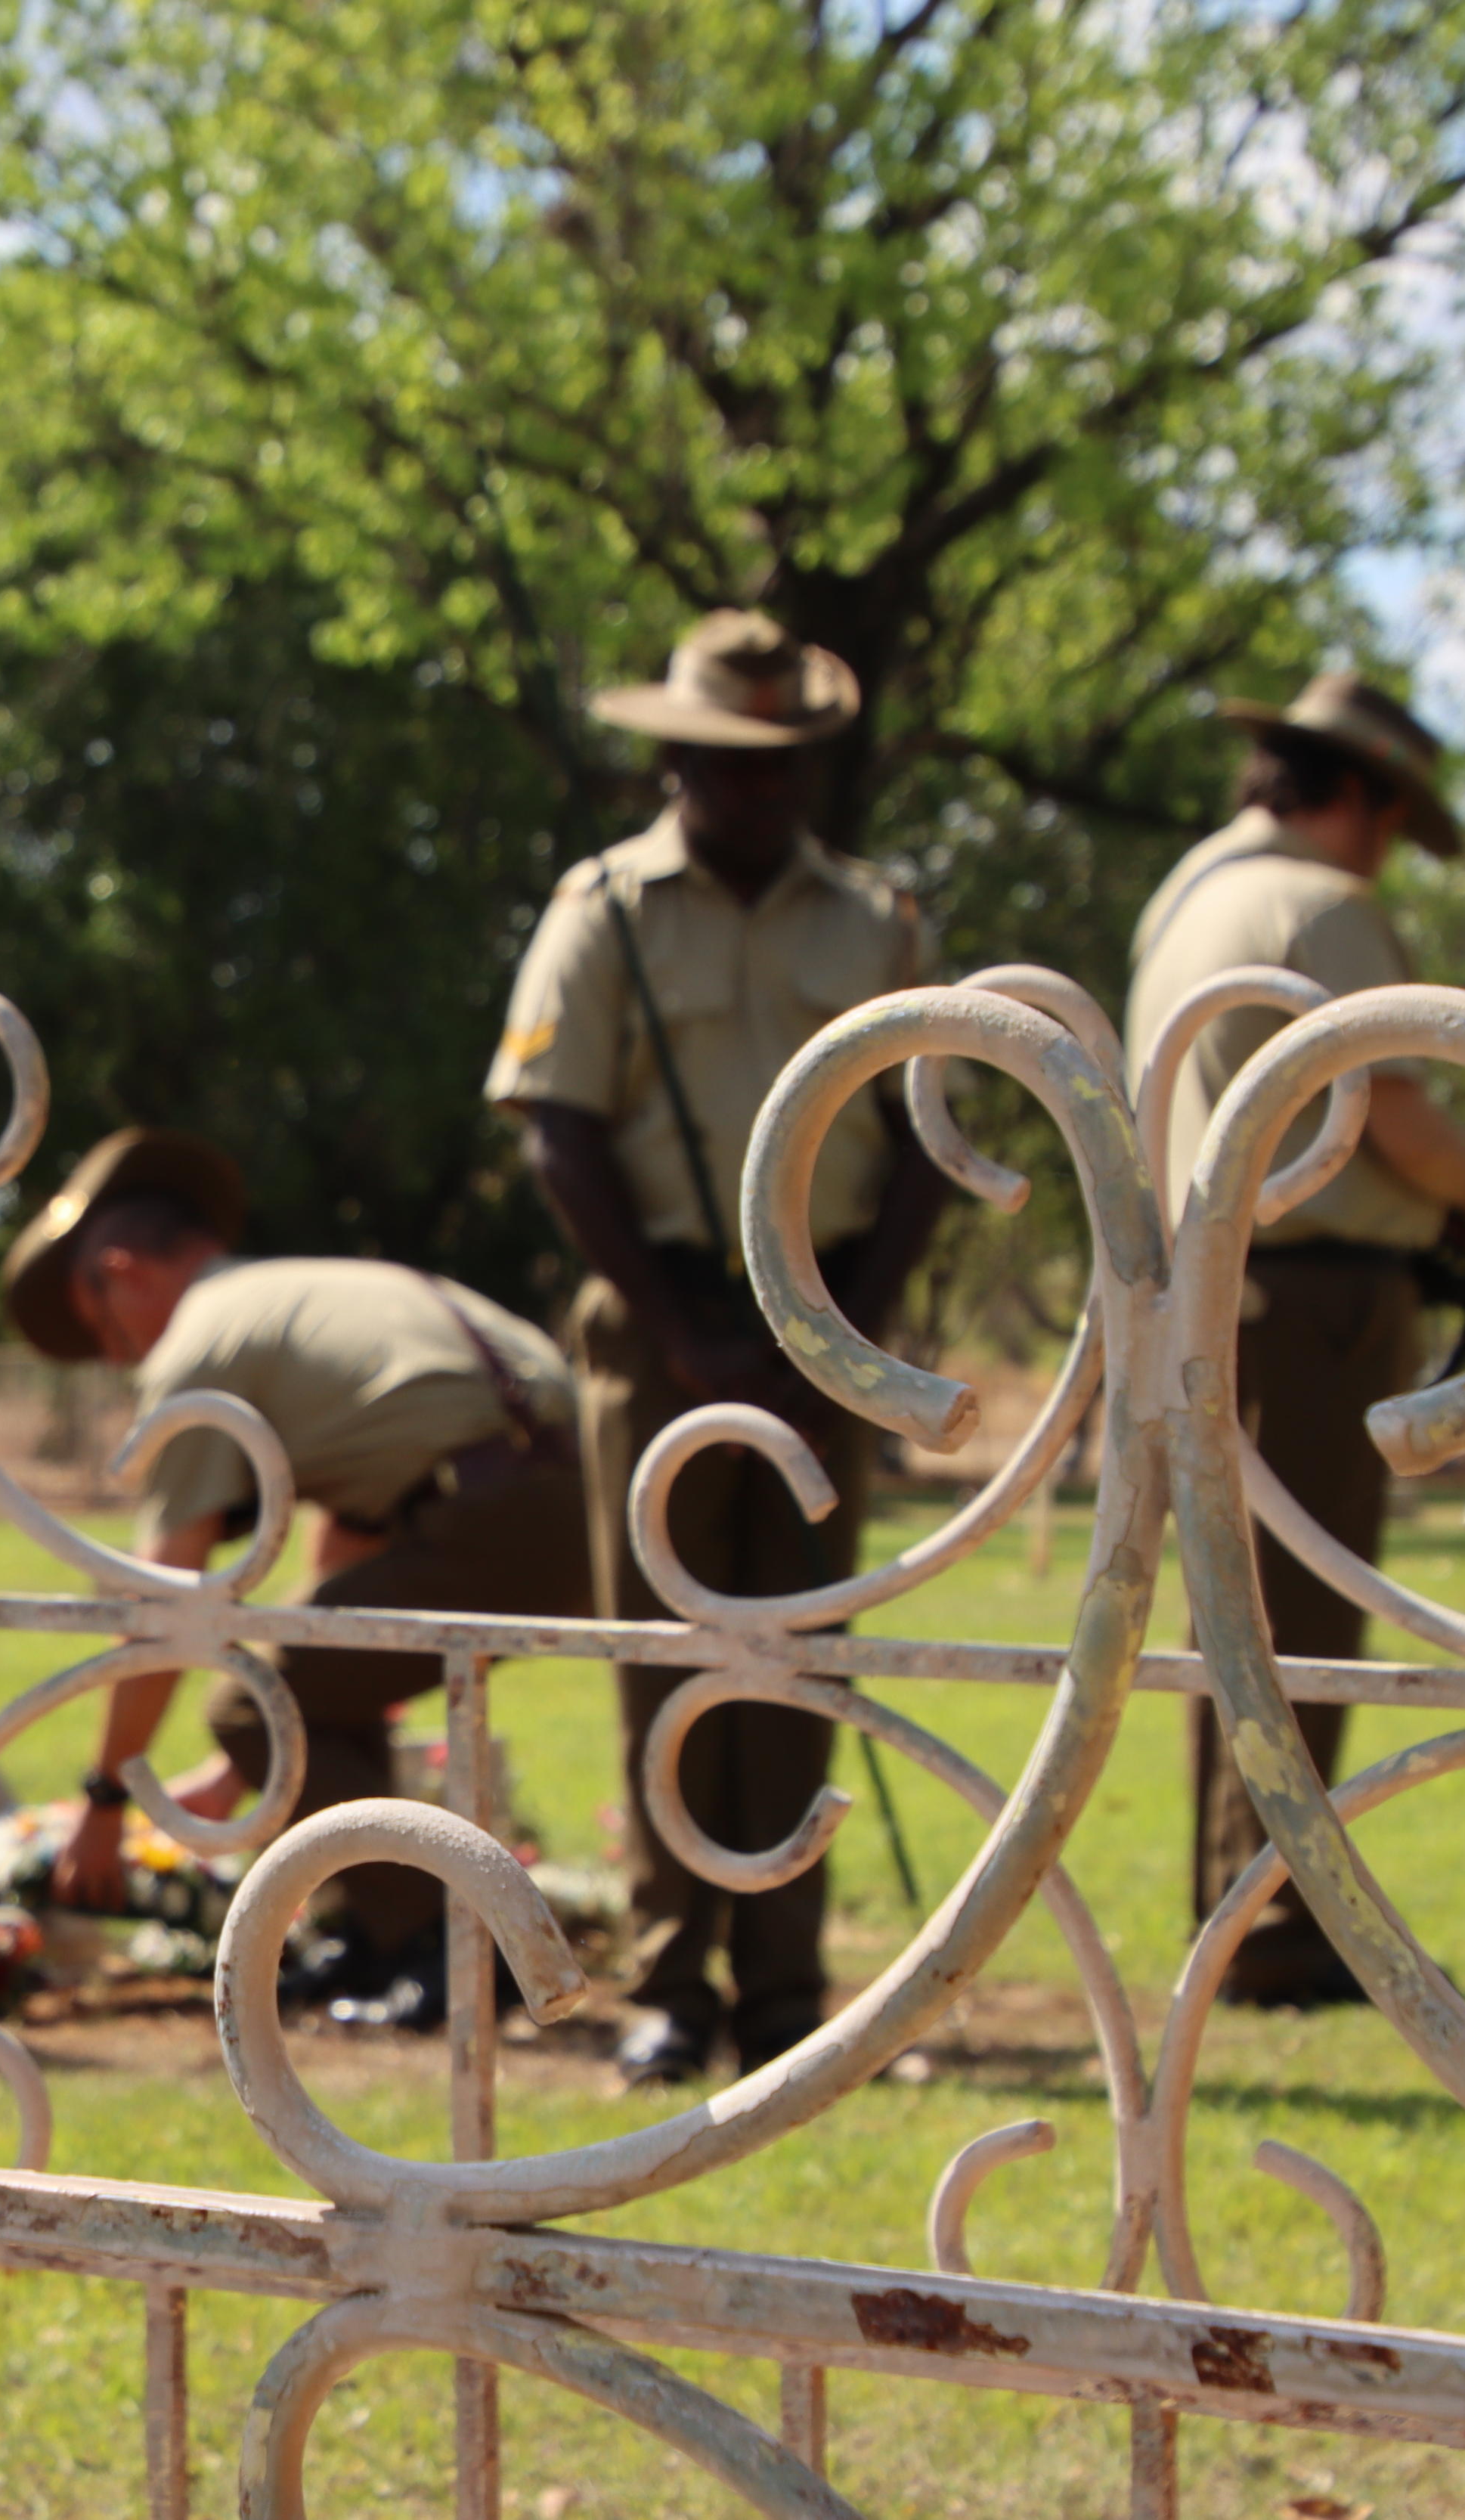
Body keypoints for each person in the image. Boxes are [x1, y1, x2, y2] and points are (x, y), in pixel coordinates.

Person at [485, 609, 951, 2088]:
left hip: (823, 1310)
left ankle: (787, 1985)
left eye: (780, 767)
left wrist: (845, 1322)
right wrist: (680, 1324)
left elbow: (930, 1133)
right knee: (669, 1655)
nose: (754, 792)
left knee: (799, 1655)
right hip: (658, 1311)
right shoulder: (605, 908)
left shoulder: (877, 920)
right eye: (724, 766)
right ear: (674, 762)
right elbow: (556, 1130)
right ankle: (673, 1979)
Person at [1121, 669, 1465, 2010]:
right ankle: (1278, 1923)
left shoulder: (1188, 895)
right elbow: (1387, 1098)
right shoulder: (1323, 905)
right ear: (1354, 791)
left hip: (1201, 1287)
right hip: (1318, 1289)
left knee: (1234, 1614)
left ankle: (1240, 1899)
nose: (1389, 848)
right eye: (1393, 816)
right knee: (1299, 1616)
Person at [5, 1128, 591, 2032]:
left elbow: (164, 1605)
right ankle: (374, 1930)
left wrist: (105, 1798)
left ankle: (451, 1948)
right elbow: (348, 1552)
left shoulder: (196, 1350)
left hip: (491, 1516)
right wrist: (232, 1773)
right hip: (555, 1499)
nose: (120, 1358)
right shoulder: (295, 1295)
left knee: (248, 1703)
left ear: (120, 1271)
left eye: (104, 1329)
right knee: (297, 1699)